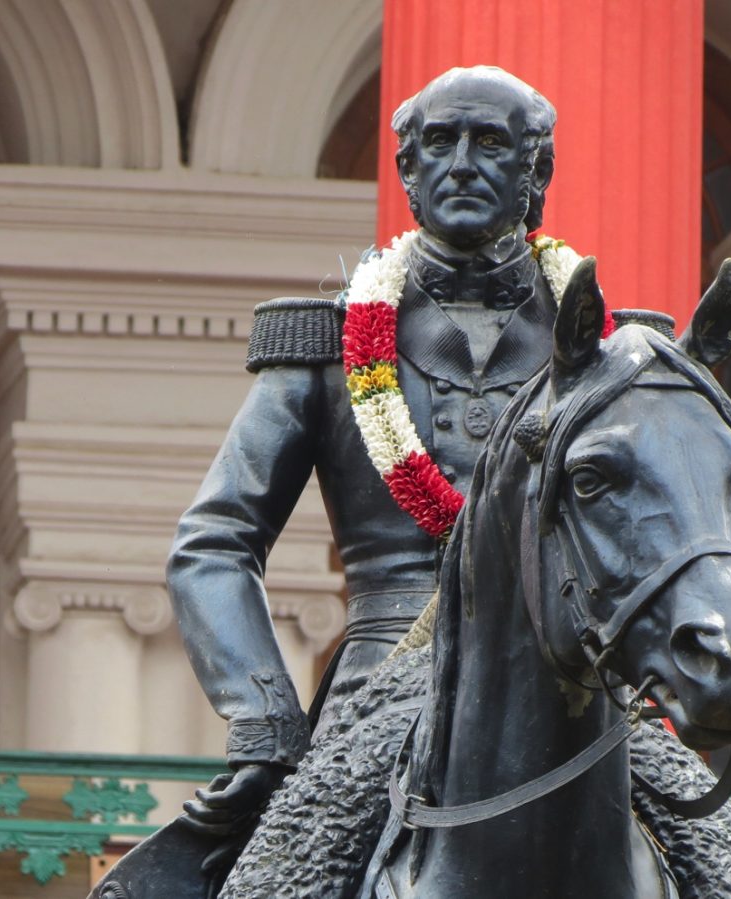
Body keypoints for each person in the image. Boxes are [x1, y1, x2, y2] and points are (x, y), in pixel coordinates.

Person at [166, 66, 572, 835]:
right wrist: (265, 719)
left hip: (564, 688)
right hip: (379, 694)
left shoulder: (605, 346)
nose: (460, 163)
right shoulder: (325, 344)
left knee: (725, 868)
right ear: (406, 171)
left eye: (489, 142)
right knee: (270, 880)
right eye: (438, 143)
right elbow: (213, 542)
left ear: (536, 169)